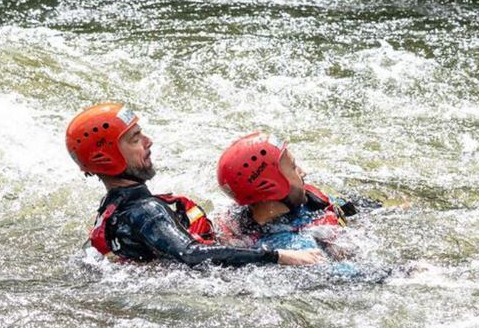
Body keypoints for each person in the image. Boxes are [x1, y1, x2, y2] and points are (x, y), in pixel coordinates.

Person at [66, 103, 322, 267]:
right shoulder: (145, 212)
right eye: (135, 139)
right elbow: (191, 254)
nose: (148, 141)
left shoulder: (113, 208)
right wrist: (279, 257)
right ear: (106, 156)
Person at [215, 132, 379, 259]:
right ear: (272, 185)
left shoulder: (307, 201)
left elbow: (355, 207)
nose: (303, 172)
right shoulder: (291, 246)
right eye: (293, 168)